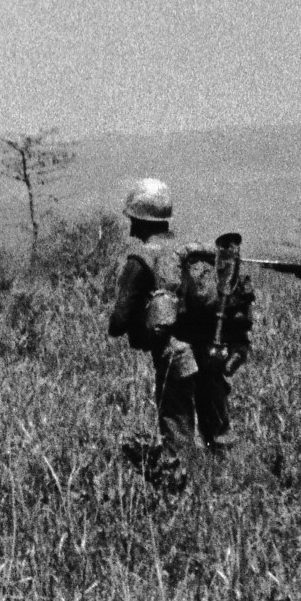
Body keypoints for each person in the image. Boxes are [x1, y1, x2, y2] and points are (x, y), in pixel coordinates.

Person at [106, 179, 247, 485]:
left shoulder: (143, 258)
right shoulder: (190, 251)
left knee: (178, 438)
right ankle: (237, 486)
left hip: (176, 357)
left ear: (139, 219)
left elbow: (117, 322)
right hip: (211, 352)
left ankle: (184, 497)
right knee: (220, 434)